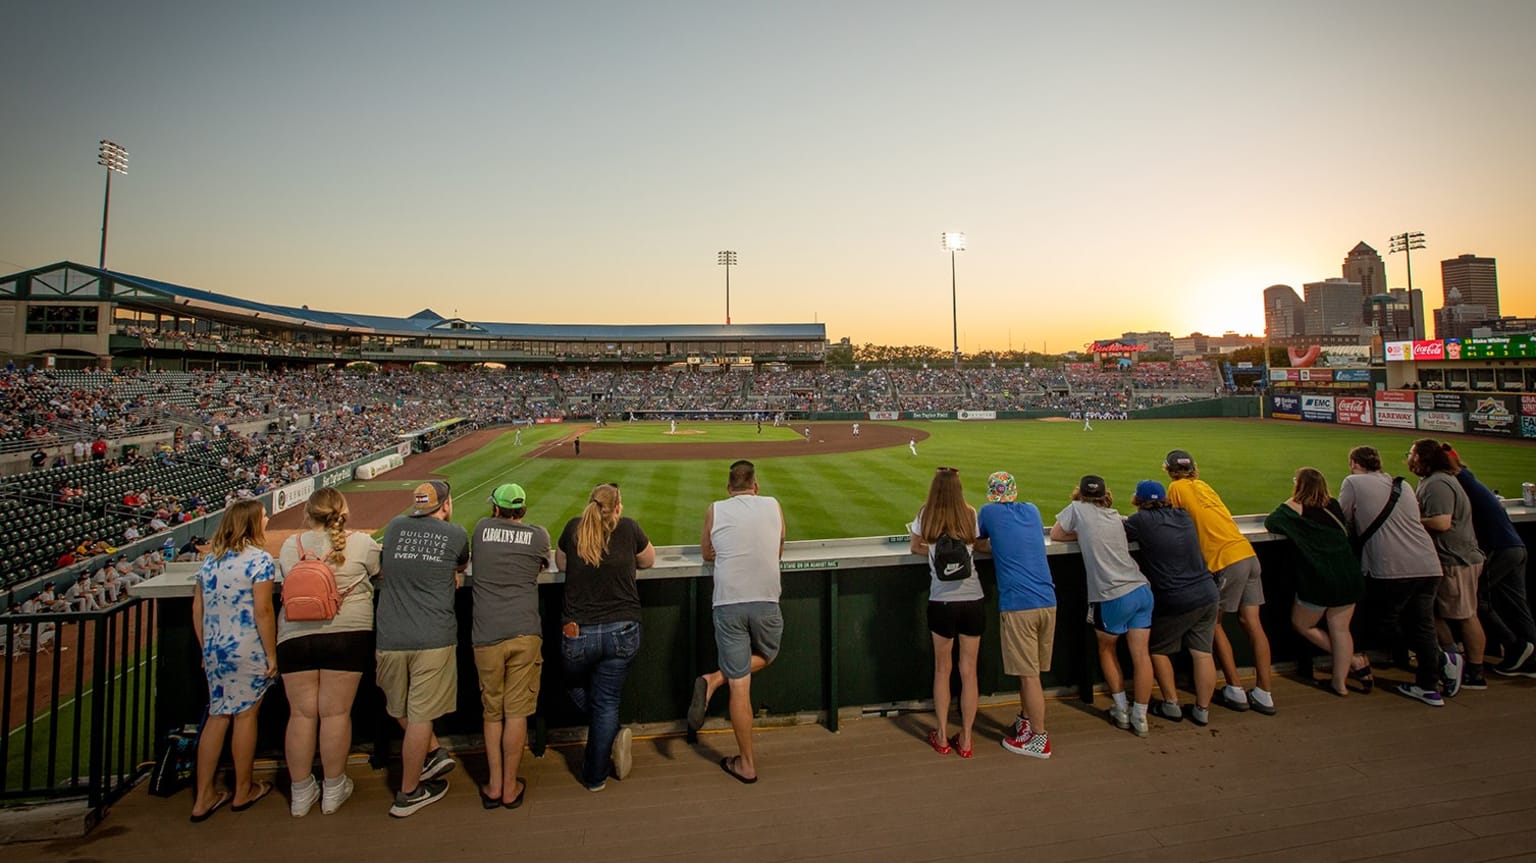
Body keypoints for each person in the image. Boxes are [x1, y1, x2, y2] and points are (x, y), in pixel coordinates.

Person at [275, 488, 382, 817]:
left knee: (301, 715)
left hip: (295, 635)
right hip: (347, 632)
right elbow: (378, 572)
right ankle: (333, 789)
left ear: (308, 514)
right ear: (342, 512)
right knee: (335, 714)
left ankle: (300, 794)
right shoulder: (362, 543)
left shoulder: (291, 545)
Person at [374, 481, 469, 817]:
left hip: (390, 636)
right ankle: (409, 791)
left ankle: (434, 753)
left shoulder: (394, 527)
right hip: (433, 636)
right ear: (445, 505)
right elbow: (460, 565)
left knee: (397, 707)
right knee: (420, 717)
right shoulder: (455, 533)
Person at [689, 460, 786, 782]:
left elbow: (707, 553)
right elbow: (778, 549)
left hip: (727, 601)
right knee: (769, 655)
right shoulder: (773, 505)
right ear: (755, 486)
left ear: (729, 488)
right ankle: (716, 679)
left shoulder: (715, 509)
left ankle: (746, 762)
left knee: (739, 684)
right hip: (766, 600)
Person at [556, 483, 655, 791]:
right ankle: (597, 772)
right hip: (622, 631)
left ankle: (605, 738)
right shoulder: (629, 528)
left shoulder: (574, 527)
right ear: (618, 507)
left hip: (579, 634)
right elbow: (648, 560)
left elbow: (561, 563)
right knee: (606, 703)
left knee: (576, 686)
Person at [1163, 449, 1275, 715]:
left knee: (1213, 623)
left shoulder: (1176, 488)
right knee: (1253, 623)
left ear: (1168, 469)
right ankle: (1264, 693)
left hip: (1225, 561)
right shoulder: (1204, 485)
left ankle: (1235, 688)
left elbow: (1173, 522)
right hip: (1247, 553)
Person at [189, 499, 278, 821]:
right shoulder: (259, 559)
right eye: (263, 516)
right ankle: (243, 790)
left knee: (217, 716)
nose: (267, 519)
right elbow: (263, 611)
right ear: (252, 523)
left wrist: (205, 647)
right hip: (247, 646)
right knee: (245, 716)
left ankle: (203, 797)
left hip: (215, 648)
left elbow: (197, 609)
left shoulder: (210, 561)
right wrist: (271, 653)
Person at [1338, 445, 1447, 706]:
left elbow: (1342, 519)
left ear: (1354, 463)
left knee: (1382, 624)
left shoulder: (1353, 482)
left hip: (1392, 567)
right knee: (1422, 625)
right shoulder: (1402, 484)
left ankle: (1439, 661)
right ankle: (1431, 681)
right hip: (1428, 564)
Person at [1052, 475, 1155, 737]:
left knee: (1107, 649)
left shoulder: (1077, 508)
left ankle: (1121, 710)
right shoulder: (1115, 515)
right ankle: (1141, 717)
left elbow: (1056, 534)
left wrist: (1081, 534)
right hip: (1141, 589)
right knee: (1141, 655)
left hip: (1113, 594)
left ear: (1081, 493)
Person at [469, 483, 548, 809]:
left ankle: (494, 784)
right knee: (516, 713)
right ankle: (510, 786)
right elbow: (541, 565)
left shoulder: (481, 530)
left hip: (486, 634)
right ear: (523, 509)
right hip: (524, 631)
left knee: (492, 712)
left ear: (496, 508)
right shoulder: (538, 535)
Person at [1262, 468, 1369, 696]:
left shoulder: (1293, 510)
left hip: (1320, 579)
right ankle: (1340, 681)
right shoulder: (1333, 505)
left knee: (1303, 625)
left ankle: (1353, 663)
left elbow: (1272, 521)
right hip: (1348, 574)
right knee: (1341, 630)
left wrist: (1292, 500)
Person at [1125, 480, 1220, 726]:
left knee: (1158, 648)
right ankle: (1202, 710)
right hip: (1207, 592)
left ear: (1138, 500)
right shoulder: (1182, 515)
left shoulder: (1140, 521)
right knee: (1202, 653)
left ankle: (1171, 704)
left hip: (1177, 597)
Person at [977, 472, 1056, 758]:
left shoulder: (988, 512)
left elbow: (977, 542)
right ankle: (1026, 721)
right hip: (1048, 600)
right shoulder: (1032, 510)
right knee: (1032, 672)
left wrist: (994, 545)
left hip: (1019, 605)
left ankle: (1039, 738)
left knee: (1028, 676)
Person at [910, 467, 983, 757]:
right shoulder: (970, 513)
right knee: (969, 671)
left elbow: (915, 547)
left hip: (941, 601)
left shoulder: (925, 514)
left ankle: (941, 735)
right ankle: (966, 739)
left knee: (942, 669)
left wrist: (933, 552)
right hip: (973, 599)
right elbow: (975, 544)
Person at [1446, 447, 1536, 677]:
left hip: (1499, 548)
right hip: (1515, 545)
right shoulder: (1469, 480)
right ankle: (1531, 660)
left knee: (1474, 598)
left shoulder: (1458, 482)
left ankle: (1516, 647)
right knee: (1518, 604)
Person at [1409, 438, 1487, 693]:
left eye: (1411, 453)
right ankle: (1454, 659)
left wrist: (1411, 520)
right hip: (1451, 558)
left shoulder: (1438, 482)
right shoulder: (1435, 480)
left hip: (1456, 559)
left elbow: (1442, 522)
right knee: (1436, 613)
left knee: (1465, 615)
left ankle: (1474, 671)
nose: (1409, 458)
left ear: (1422, 457)